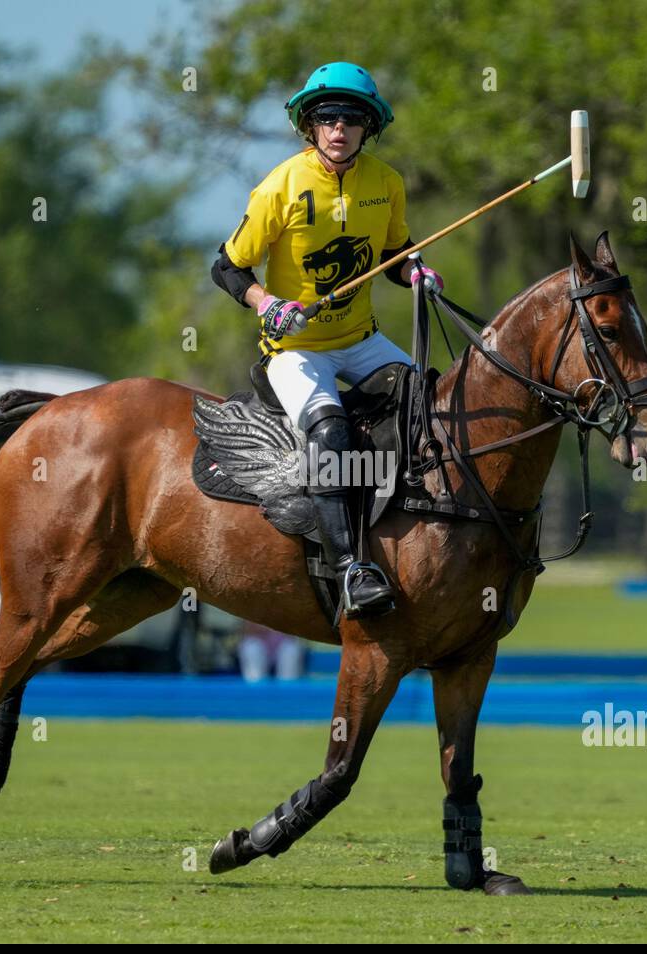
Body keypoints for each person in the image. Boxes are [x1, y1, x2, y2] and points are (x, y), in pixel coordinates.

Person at [210, 61, 444, 619]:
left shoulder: (386, 182)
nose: (339, 129)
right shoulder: (280, 186)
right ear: (310, 126)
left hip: (361, 338)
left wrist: (415, 273)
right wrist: (266, 304)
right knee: (331, 431)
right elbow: (227, 267)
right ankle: (350, 570)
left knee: (429, 403)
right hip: (296, 350)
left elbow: (393, 255)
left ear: (369, 128)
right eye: (328, 118)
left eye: (351, 119)